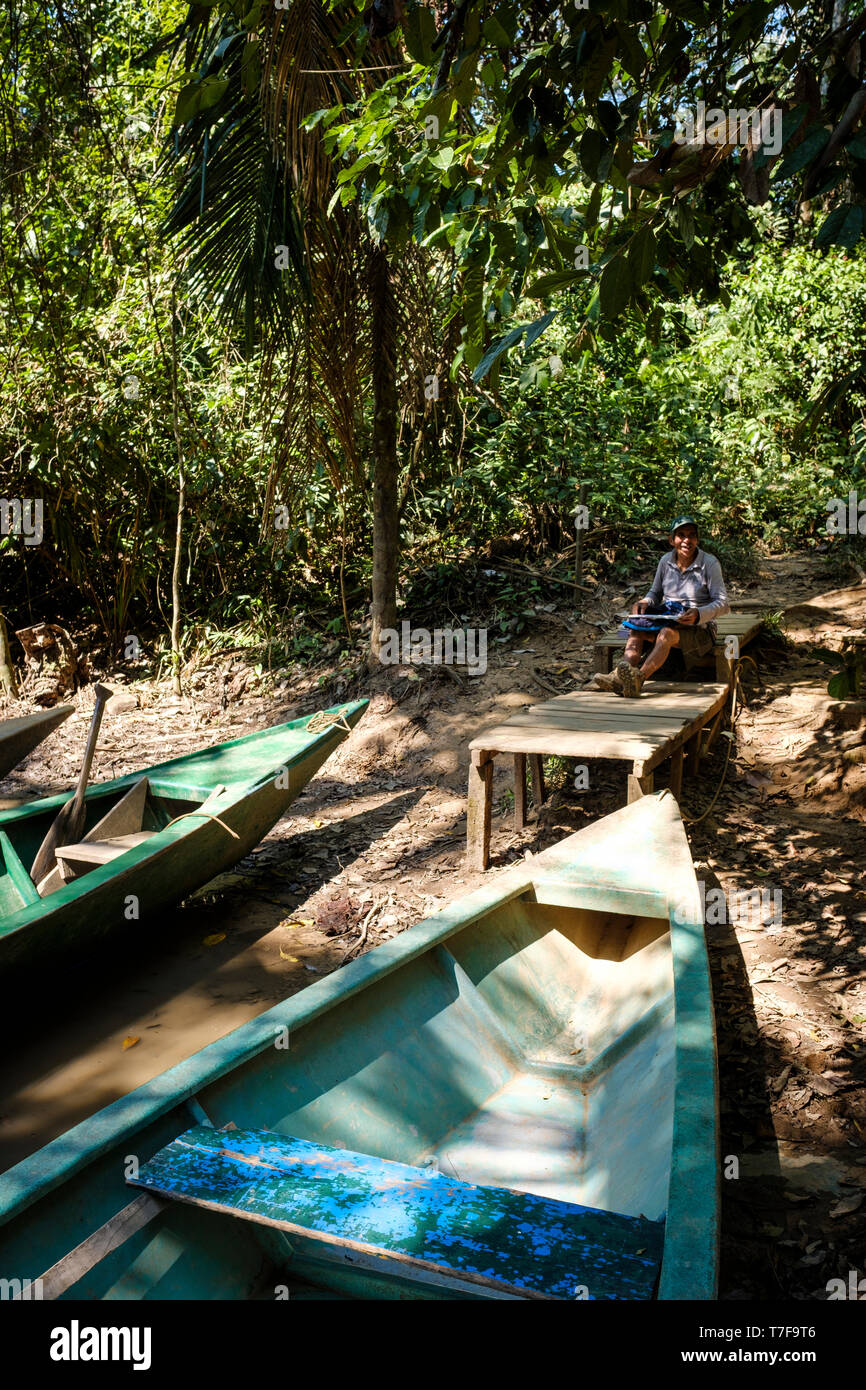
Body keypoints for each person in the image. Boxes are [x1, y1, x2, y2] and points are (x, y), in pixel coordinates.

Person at [594, 515, 730, 697]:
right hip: (670, 619)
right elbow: (655, 593)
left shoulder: (709, 564)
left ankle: (638, 679)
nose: (687, 540)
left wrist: (698, 613)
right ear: (672, 540)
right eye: (681, 535)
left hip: (701, 629)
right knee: (636, 629)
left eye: (692, 535)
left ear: (697, 539)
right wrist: (645, 602)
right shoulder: (666, 561)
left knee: (666, 635)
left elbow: (723, 603)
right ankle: (619, 677)